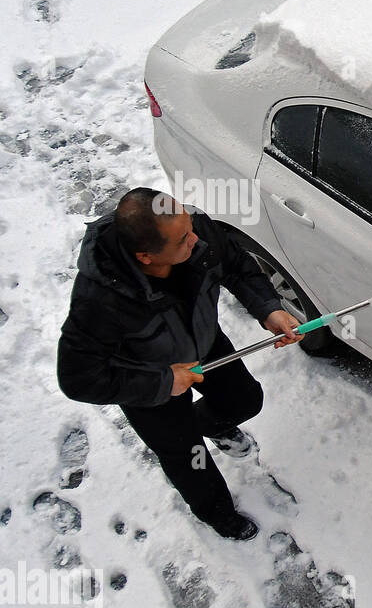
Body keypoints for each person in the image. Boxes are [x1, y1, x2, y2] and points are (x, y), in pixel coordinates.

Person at [56, 188, 302, 541]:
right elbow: (77, 378)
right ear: (145, 256)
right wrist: (162, 382)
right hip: (146, 381)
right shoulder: (99, 301)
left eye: (190, 227)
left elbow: (236, 264)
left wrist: (268, 307)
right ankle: (216, 512)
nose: (196, 238)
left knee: (245, 401)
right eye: (183, 239)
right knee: (188, 455)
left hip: (204, 344)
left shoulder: (195, 230)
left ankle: (207, 423)